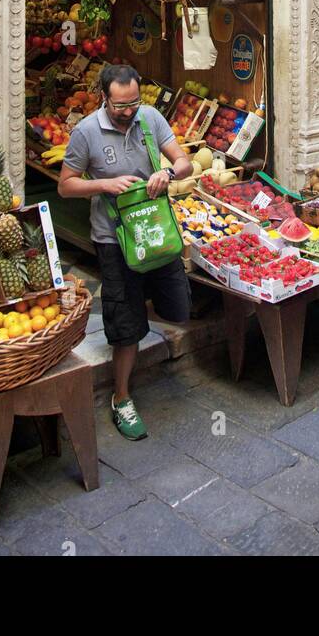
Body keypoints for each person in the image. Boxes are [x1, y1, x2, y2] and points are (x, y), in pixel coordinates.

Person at [58, 63, 192, 440]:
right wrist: (104, 184)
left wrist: (167, 173)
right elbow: (66, 187)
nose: (128, 111)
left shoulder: (150, 118)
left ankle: (135, 309)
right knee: (125, 327)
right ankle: (121, 397)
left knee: (180, 305)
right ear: (104, 99)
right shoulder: (86, 133)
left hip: (155, 234)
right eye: (120, 106)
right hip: (113, 240)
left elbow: (183, 162)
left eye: (133, 102)